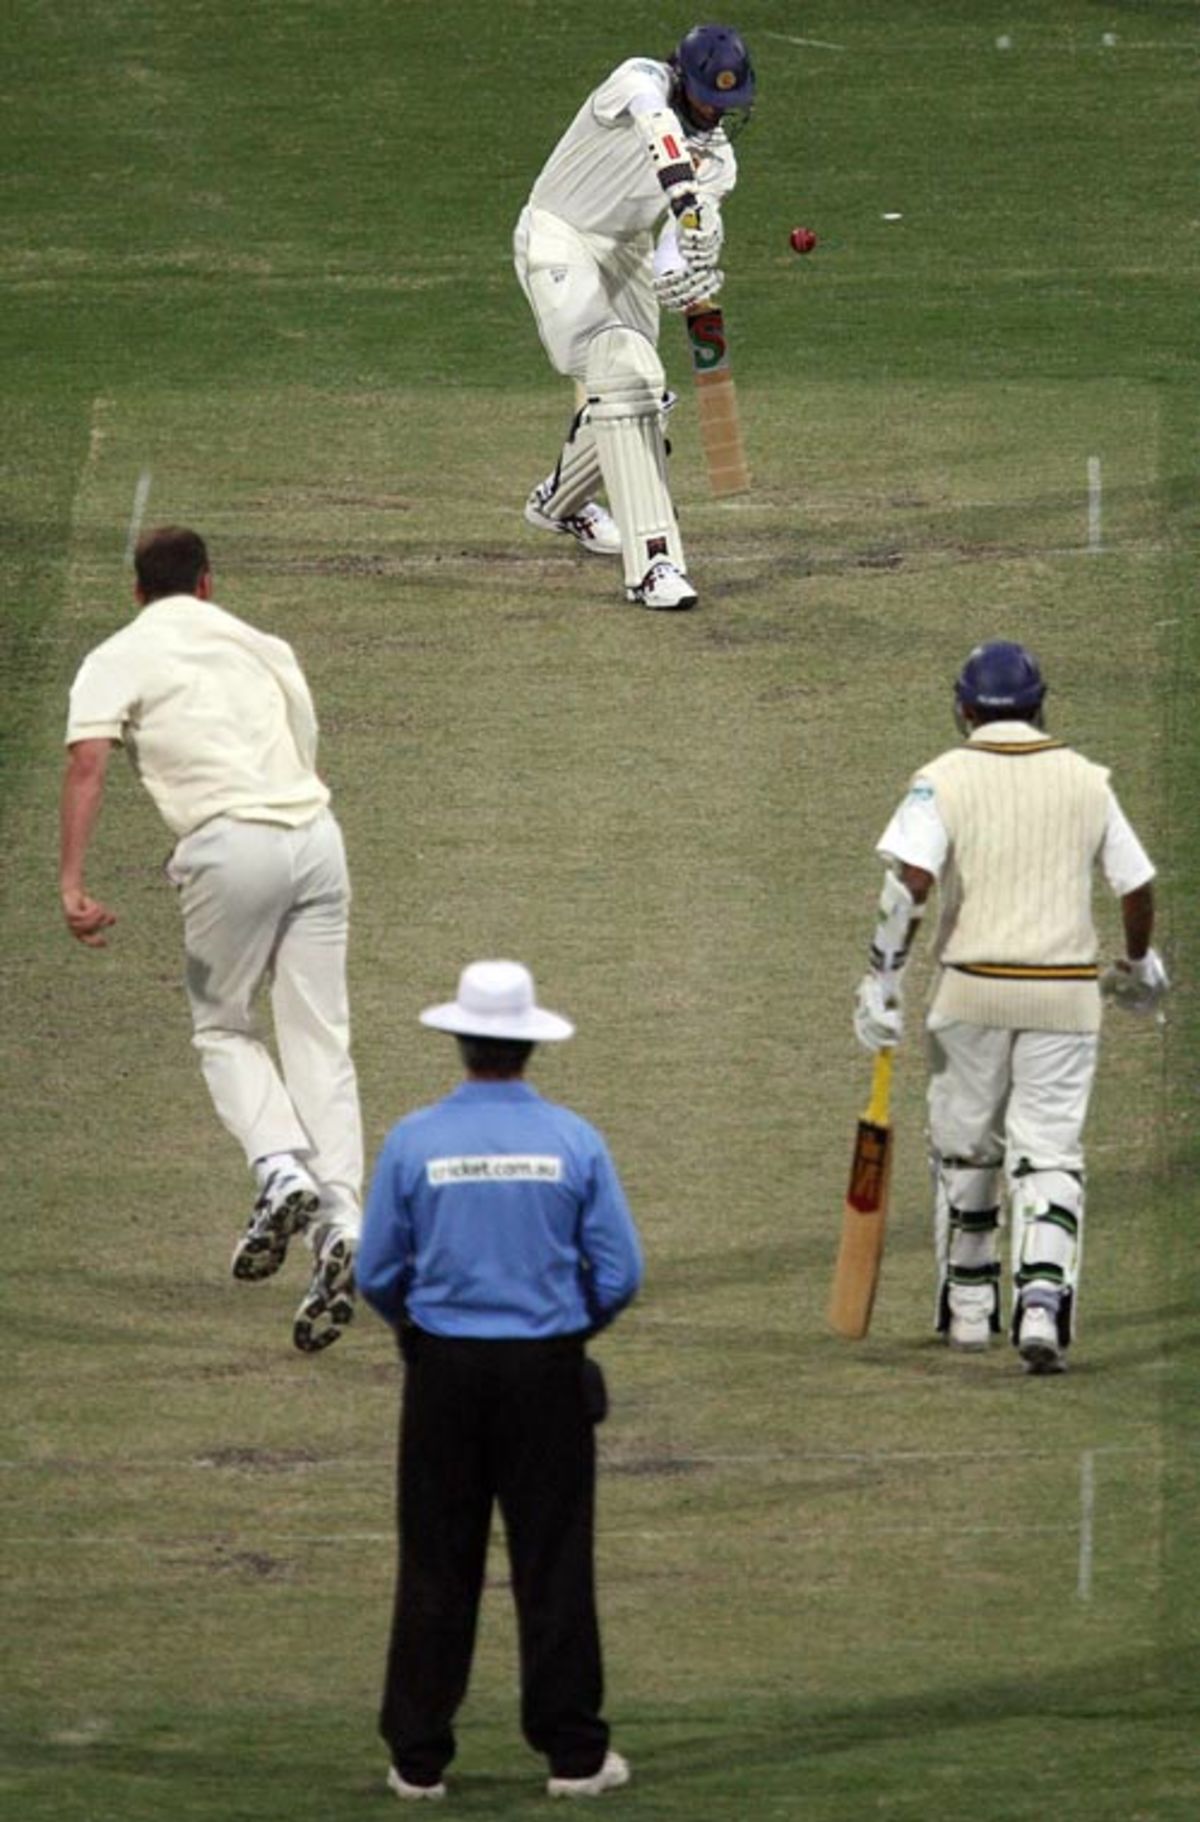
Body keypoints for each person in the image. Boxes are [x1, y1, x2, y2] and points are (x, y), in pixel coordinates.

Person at [60, 525, 362, 1353]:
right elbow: (306, 741)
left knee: (223, 1027)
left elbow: (88, 760)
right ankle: (341, 1225)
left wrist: (72, 882)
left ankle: (279, 1171)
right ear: (206, 585)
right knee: (320, 1041)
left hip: (228, 849)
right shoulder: (262, 643)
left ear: (136, 592)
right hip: (316, 836)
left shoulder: (115, 656)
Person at [357, 960, 643, 1801]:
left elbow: (377, 1270)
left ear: (458, 1041)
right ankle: (573, 1755)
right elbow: (620, 1271)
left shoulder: (414, 1140)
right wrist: (565, 1325)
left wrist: (418, 1327)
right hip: (546, 1374)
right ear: (527, 1045)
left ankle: (418, 1758)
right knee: (554, 1563)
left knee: (435, 1563)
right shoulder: (573, 1141)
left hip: (443, 1373)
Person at [852, 640, 1168, 1374]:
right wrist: (1138, 962)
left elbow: (911, 884)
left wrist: (881, 978)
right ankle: (1040, 1304)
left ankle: (968, 1311)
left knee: (967, 1149)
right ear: (1041, 702)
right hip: (1064, 994)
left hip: (971, 988)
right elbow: (1136, 882)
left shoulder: (943, 777)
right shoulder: (1089, 782)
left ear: (963, 708)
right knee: (1049, 1151)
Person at [513, 23, 755, 612]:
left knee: (639, 392)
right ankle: (653, 566)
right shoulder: (638, 80)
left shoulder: (719, 162)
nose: (716, 114)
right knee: (627, 381)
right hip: (559, 235)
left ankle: (560, 503)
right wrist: (683, 193)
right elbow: (657, 124)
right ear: (684, 78)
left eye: (728, 104)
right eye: (708, 99)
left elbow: (676, 245)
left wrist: (685, 266)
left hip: (626, 253)